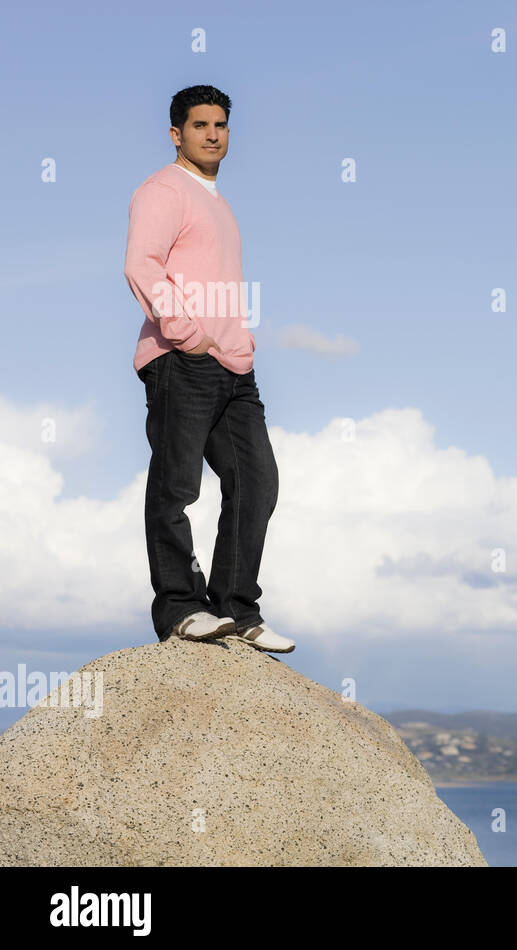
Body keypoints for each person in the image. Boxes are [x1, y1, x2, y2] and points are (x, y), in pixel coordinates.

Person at [125, 84, 293, 654]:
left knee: (257, 483)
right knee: (175, 486)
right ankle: (179, 608)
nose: (213, 134)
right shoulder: (163, 189)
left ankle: (236, 609)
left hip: (232, 368)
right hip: (183, 360)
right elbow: (141, 266)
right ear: (177, 134)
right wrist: (188, 335)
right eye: (200, 126)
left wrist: (235, 341)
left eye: (220, 125)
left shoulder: (217, 201)